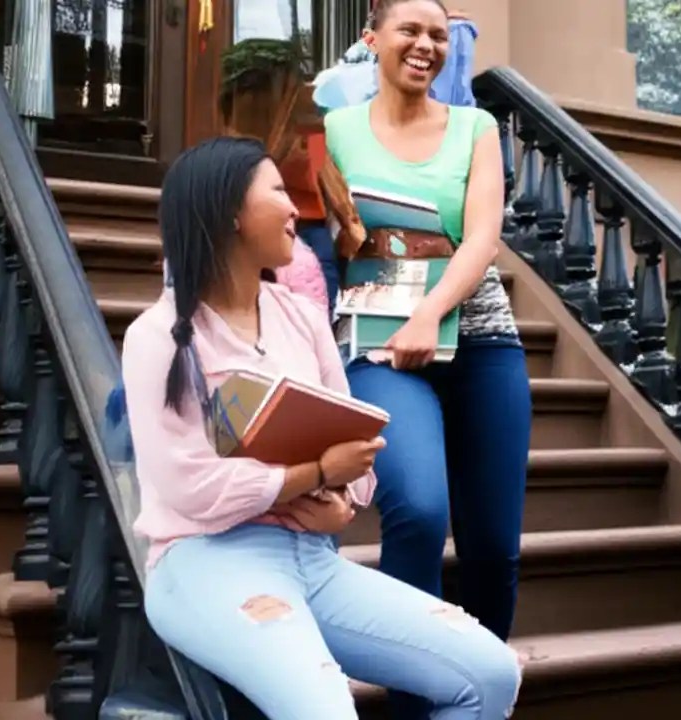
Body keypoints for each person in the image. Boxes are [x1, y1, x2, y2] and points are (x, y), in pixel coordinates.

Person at [120, 136, 521, 720]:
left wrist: (340, 498)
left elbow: (358, 450)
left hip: (314, 558)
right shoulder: (156, 337)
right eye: (278, 191)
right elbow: (188, 487)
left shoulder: (303, 318)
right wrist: (312, 474)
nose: (294, 208)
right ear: (230, 212)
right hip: (204, 561)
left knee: (490, 674)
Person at [323, 0, 528, 681]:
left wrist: (429, 313)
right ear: (371, 39)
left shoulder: (476, 127)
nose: (425, 45)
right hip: (380, 346)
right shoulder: (335, 129)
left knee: (493, 545)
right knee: (418, 510)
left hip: (480, 341)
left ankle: (479, 689)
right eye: (409, 30)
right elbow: (334, 242)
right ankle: (416, 691)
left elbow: (483, 239)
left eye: (439, 35)